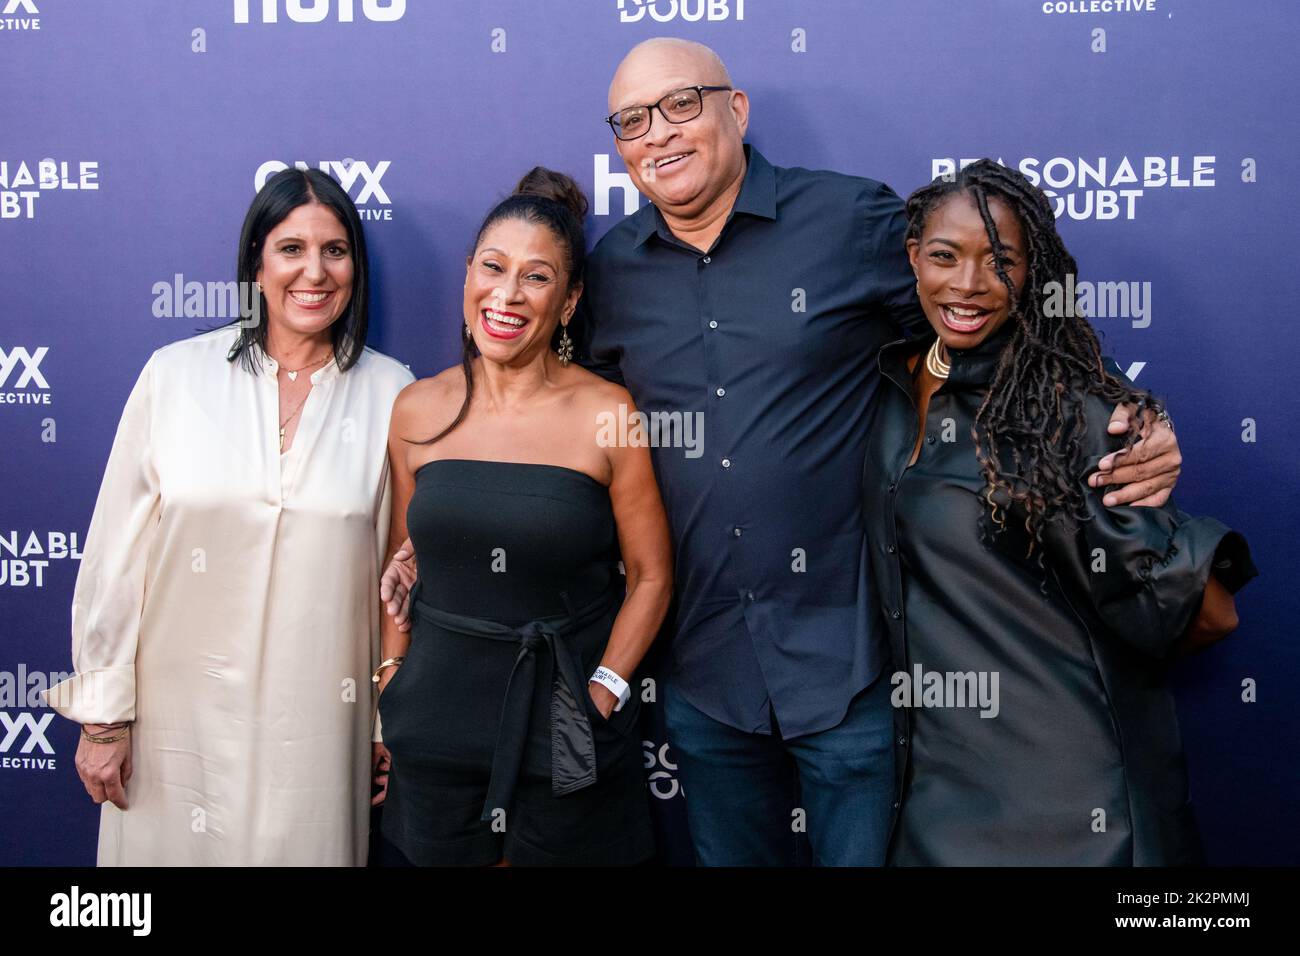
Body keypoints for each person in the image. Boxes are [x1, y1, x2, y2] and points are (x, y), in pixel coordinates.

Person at [383, 38, 1186, 867]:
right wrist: (438, 535)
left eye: (681, 104)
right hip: (702, 673)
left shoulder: (851, 222)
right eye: (631, 120)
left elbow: (991, 312)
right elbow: (544, 424)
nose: (657, 133)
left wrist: (1124, 412)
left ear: (737, 110)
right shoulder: (612, 270)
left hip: (849, 664)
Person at [864, 160, 1256, 865]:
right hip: (939, 794)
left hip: (1073, 812)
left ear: (1033, 274)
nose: (968, 285)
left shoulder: (1066, 414)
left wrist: (1083, 676)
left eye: (1000, 262)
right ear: (912, 258)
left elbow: (1210, 613)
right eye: (945, 256)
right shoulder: (893, 385)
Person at [39, 168, 415, 865]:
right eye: (291, 249)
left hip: (319, 730)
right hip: (171, 732)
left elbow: (400, 579)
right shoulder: (174, 376)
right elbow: (115, 557)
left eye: (335, 251)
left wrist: (387, 718)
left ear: (355, 267)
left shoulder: (394, 393)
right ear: (255, 262)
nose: (315, 271)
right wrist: (102, 717)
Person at [372, 168, 673, 866]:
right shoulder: (416, 409)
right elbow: (397, 565)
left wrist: (601, 694)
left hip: (565, 710)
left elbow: (652, 577)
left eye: (536, 278)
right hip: (437, 714)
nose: (507, 295)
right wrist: (392, 676)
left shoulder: (609, 413)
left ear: (568, 303)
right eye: (493, 268)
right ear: (468, 277)